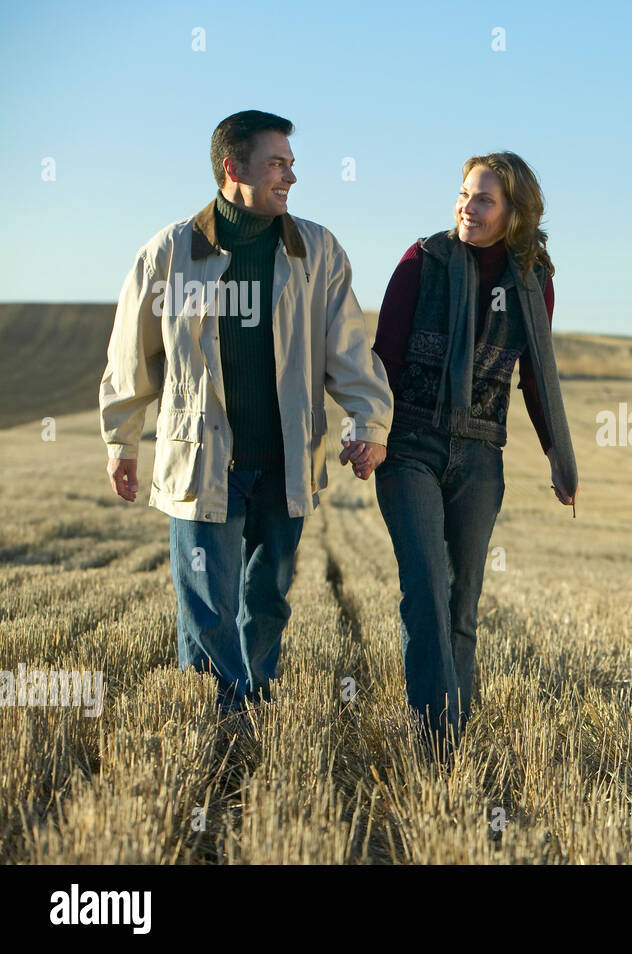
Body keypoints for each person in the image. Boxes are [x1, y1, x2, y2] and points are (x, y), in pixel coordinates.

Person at [99, 109, 393, 714]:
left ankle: (253, 703)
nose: (291, 176)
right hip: (204, 458)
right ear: (233, 168)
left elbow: (349, 347)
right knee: (207, 601)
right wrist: (121, 441)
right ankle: (215, 722)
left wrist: (369, 422)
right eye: (277, 163)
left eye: (290, 163)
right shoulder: (171, 252)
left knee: (268, 599)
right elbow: (133, 354)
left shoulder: (316, 250)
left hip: (286, 458)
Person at [372, 151, 578, 759]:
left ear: (514, 213)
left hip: (482, 452)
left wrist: (556, 456)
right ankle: (434, 738)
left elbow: (536, 373)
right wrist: (369, 428)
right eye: (464, 194)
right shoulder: (423, 261)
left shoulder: (532, 281)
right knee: (427, 586)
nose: (467, 206)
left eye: (483, 199)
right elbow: (382, 357)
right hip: (409, 443)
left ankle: (453, 736)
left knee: (463, 601)